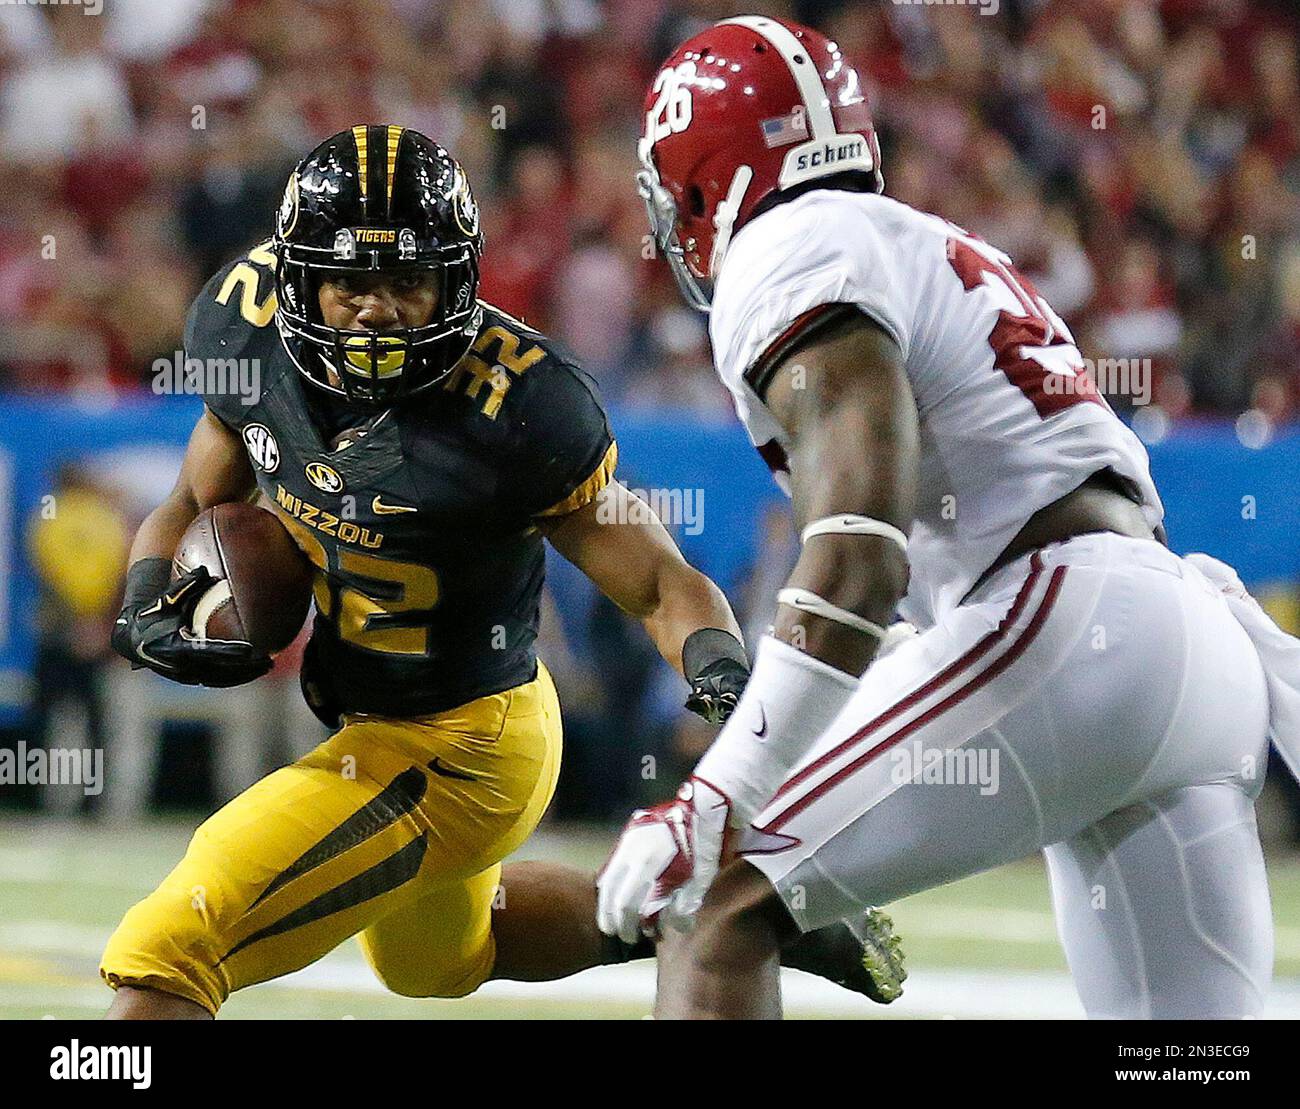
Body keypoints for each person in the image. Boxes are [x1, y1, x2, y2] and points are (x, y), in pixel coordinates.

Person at [103, 125, 902, 1017]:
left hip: (468, 741)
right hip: (374, 709)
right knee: (436, 961)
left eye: (407, 281)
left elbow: (659, 582)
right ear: (295, 282)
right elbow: (186, 496)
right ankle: (719, 907)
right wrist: (144, 599)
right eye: (352, 285)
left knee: (175, 938)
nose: (378, 311)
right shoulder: (245, 330)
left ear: (457, 278)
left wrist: (726, 680)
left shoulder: (523, 403)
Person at [597, 15, 1280, 1019]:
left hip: (1071, 627)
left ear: (709, 180)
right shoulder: (921, 237)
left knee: (709, 894)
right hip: (1183, 651)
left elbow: (856, 552)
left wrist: (720, 791)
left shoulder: (789, 246)